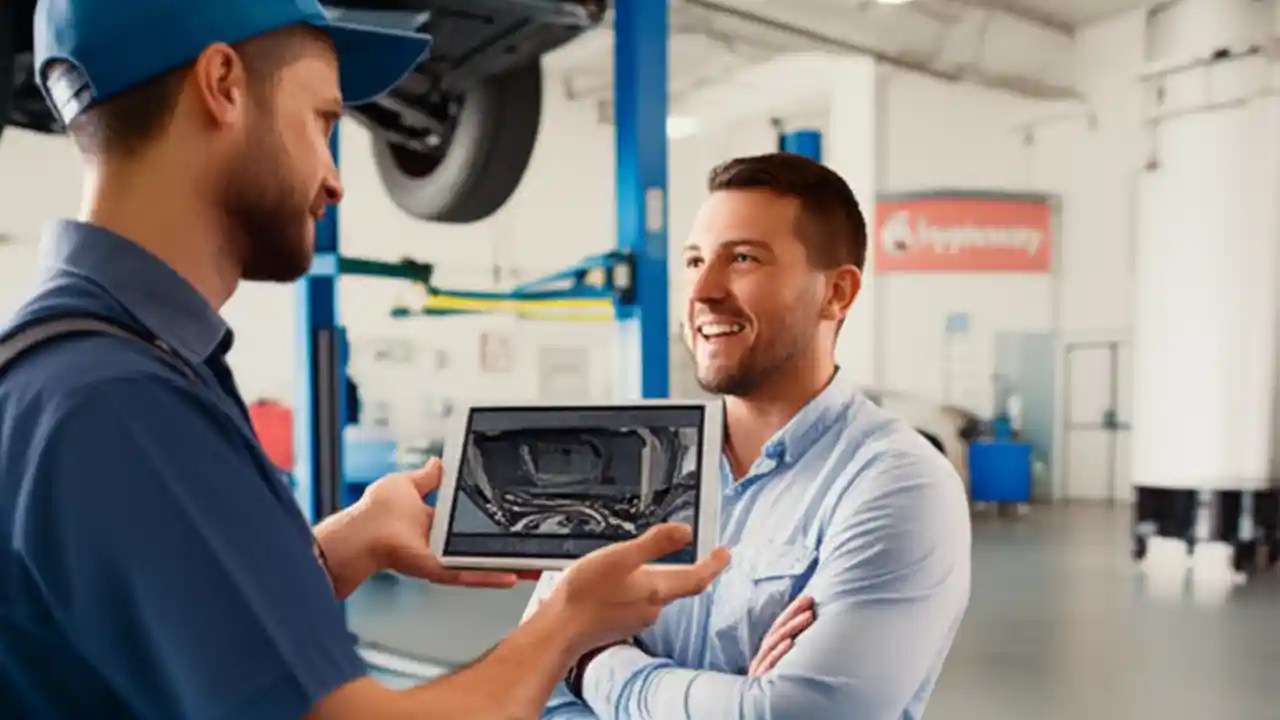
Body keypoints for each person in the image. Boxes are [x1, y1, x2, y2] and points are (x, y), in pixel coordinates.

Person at [0, 1, 730, 718]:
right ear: (222, 84)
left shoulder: (88, 363)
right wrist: (568, 620)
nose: (336, 178)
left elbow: (174, 641)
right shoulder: (123, 401)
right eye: (322, 122)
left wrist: (339, 551)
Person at [525, 153, 973, 719]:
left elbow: (799, 716)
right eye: (693, 261)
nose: (704, 291)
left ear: (837, 293)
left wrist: (592, 661)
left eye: (742, 259)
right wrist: (730, 699)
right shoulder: (626, 462)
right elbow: (532, 684)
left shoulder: (898, 486)